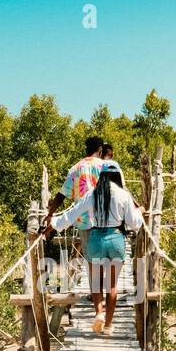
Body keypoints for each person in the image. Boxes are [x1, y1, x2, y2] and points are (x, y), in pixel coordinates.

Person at [45, 161, 144, 334]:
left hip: (96, 239)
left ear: (102, 175)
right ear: (118, 175)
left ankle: (99, 313)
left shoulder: (92, 193)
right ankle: (108, 325)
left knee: (96, 282)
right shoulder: (123, 194)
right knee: (112, 286)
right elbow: (134, 223)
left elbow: (71, 214)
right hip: (116, 239)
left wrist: (52, 224)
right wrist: (140, 211)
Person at [46, 136, 108, 312]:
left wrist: (50, 213)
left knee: (91, 260)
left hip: (84, 221)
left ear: (85, 149)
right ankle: (101, 295)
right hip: (105, 219)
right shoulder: (105, 166)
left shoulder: (76, 168)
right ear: (101, 150)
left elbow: (62, 193)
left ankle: (96, 295)